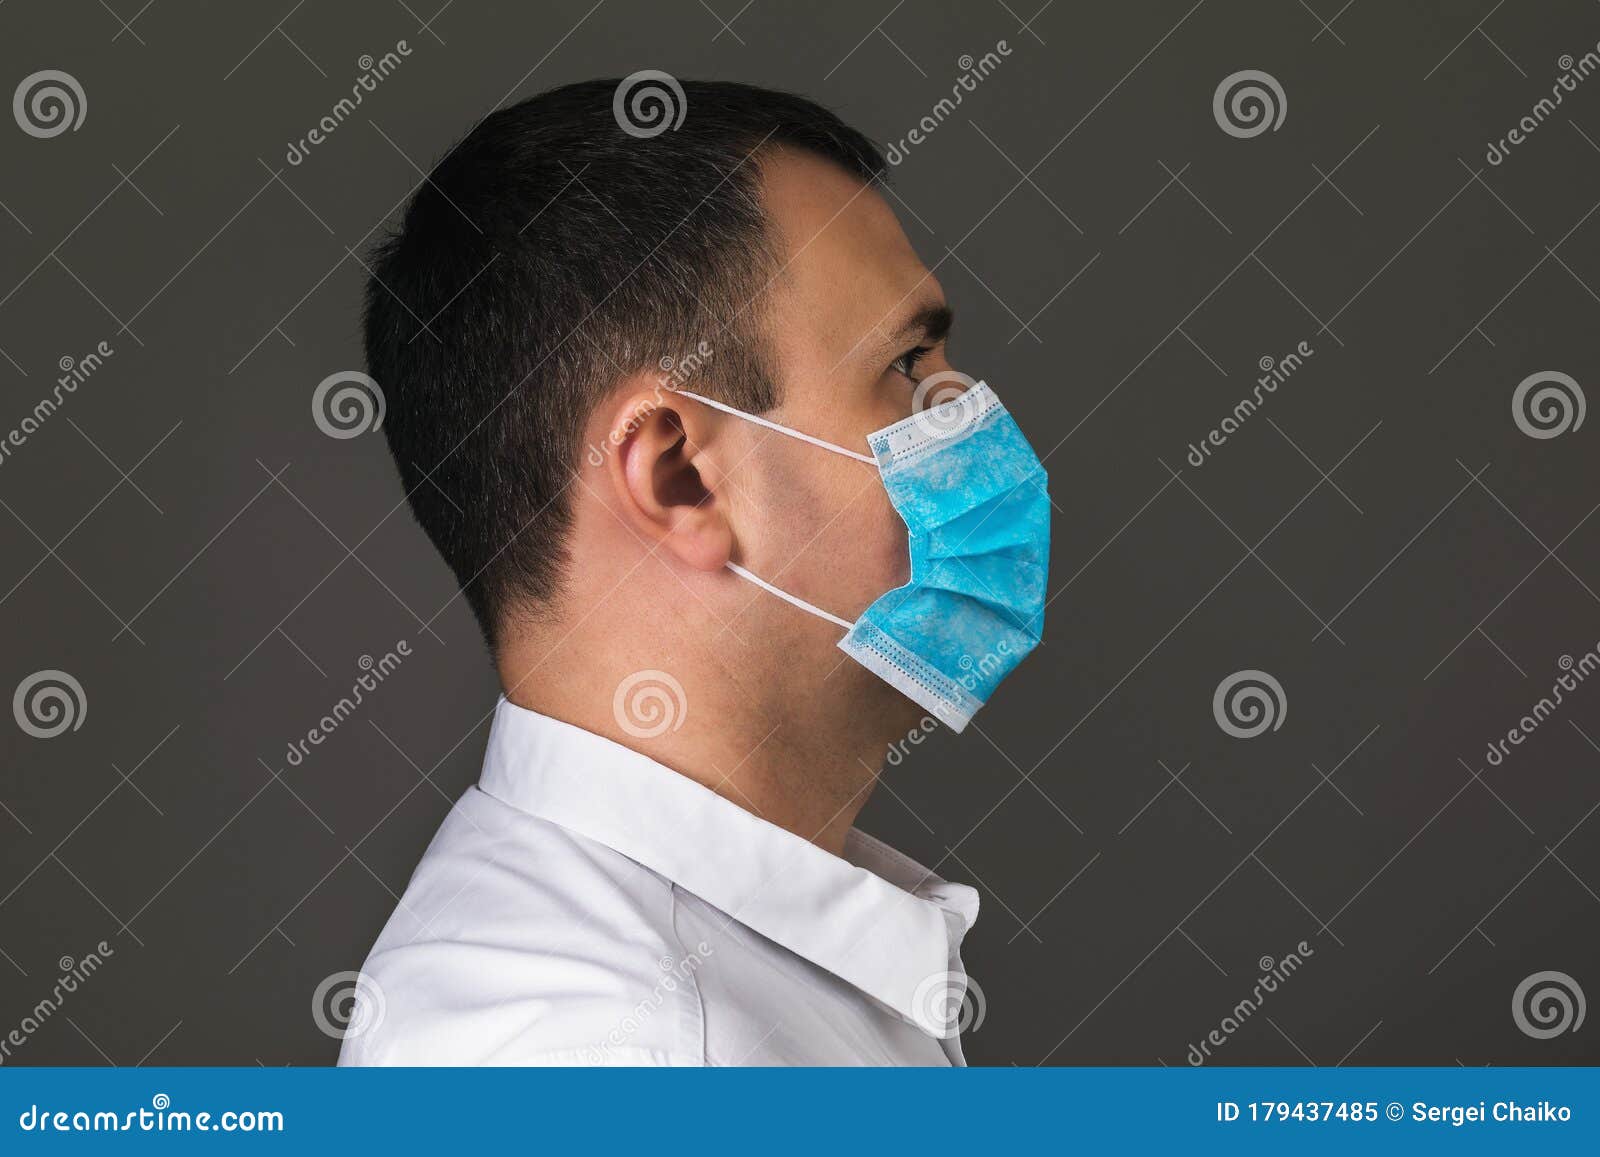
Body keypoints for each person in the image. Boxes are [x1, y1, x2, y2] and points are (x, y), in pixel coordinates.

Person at [339, 77, 1049, 1066]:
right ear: (677, 474)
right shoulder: (586, 1047)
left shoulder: (696, 991)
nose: (971, 421)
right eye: (906, 365)